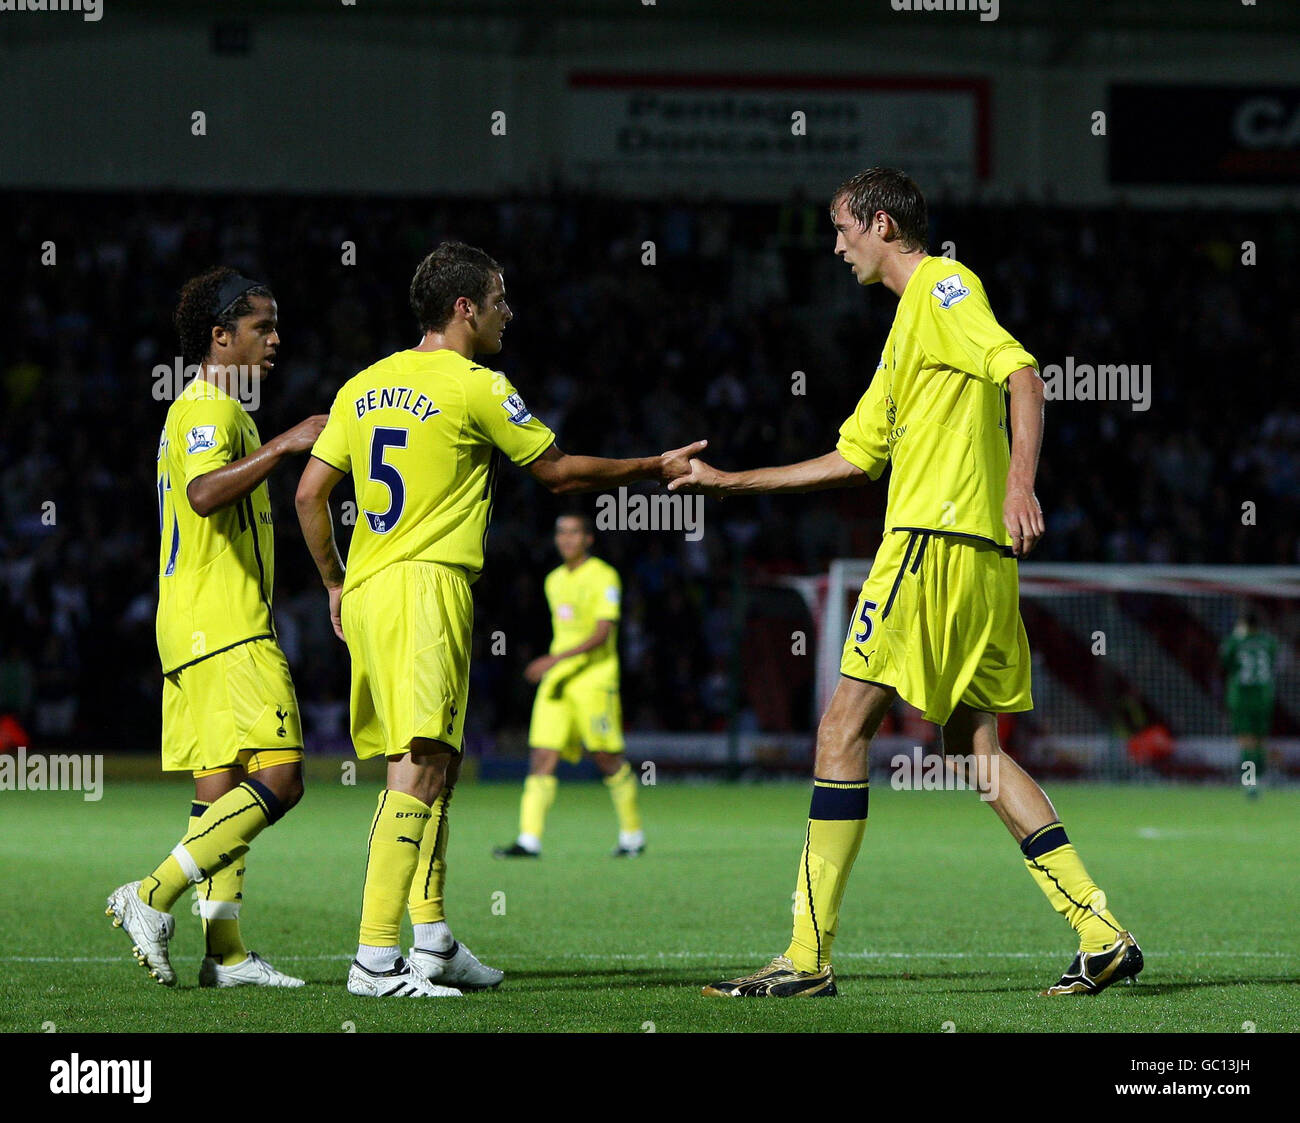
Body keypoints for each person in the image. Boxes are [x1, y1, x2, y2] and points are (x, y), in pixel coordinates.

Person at [673, 168, 1142, 998]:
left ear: (881, 223)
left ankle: (807, 954)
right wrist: (732, 482)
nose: (835, 244)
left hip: (932, 549)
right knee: (976, 750)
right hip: (977, 565)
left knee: (838, 732)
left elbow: (1024, 375)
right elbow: (853, 457)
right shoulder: (903, 331)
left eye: (843, 228)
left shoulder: (943, 284)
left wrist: (1018, 482)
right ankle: (1100, 930)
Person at [295, 241, 702, 997]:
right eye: (501, 299)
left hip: (372, 588)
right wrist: (651, 467)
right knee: (418, 770)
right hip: (428, 587)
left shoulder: (362, 385)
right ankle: (374, 960)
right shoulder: (476, 384)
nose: (509, 313)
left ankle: (432, 939)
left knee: (433, 766)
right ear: (465, 308)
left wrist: (333, 583)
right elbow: (555, 472)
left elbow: (309, 495)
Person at [107, 268, 326, 989]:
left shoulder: (218, 410)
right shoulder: (208, 408)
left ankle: (226, 953)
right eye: (261, 326)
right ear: (219, 335)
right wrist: (286, 444)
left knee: (221, 788)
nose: (275, 340)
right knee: (282, 779)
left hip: (193, 625)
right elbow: (203, 494)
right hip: (223, 626)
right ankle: (150, 893)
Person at [494, 513, 643, 860]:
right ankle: (528, 840)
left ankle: (632, 836)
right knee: (542, 755)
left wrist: (553, 660)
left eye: (574, 533)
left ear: (588, 539)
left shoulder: (604, 576)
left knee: (606, 757)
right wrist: (556, 665)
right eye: (561, 533)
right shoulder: (554, 580)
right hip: (560, 680)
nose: (566, 539)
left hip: (594, 680)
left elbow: (602, 633)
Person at [1220, 607, 1278, 798]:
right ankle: (1260, 779)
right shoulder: (1269, 642)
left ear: (1243, 624)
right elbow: (1271, 661)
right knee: (1261, 741)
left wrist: (1237, 636)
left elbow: (1225, 661)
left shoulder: (1236, 641)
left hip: (1242, 698)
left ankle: (1249, 783)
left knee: (1246, 742)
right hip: (1263, 697)